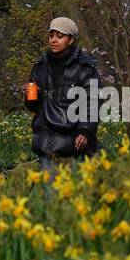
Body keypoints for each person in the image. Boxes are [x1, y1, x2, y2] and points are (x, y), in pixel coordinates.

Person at [24, 17, 99, 180]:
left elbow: (91, 103)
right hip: (47, 143)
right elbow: (34, 108)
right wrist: (30, 97)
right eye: (51, 36)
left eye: (60, 36)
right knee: (52, 199)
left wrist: (85, 131)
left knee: (77, 197)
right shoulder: (40, 67)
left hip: (75, 143)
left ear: (71, 39)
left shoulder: (85, 68)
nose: (54, 40)